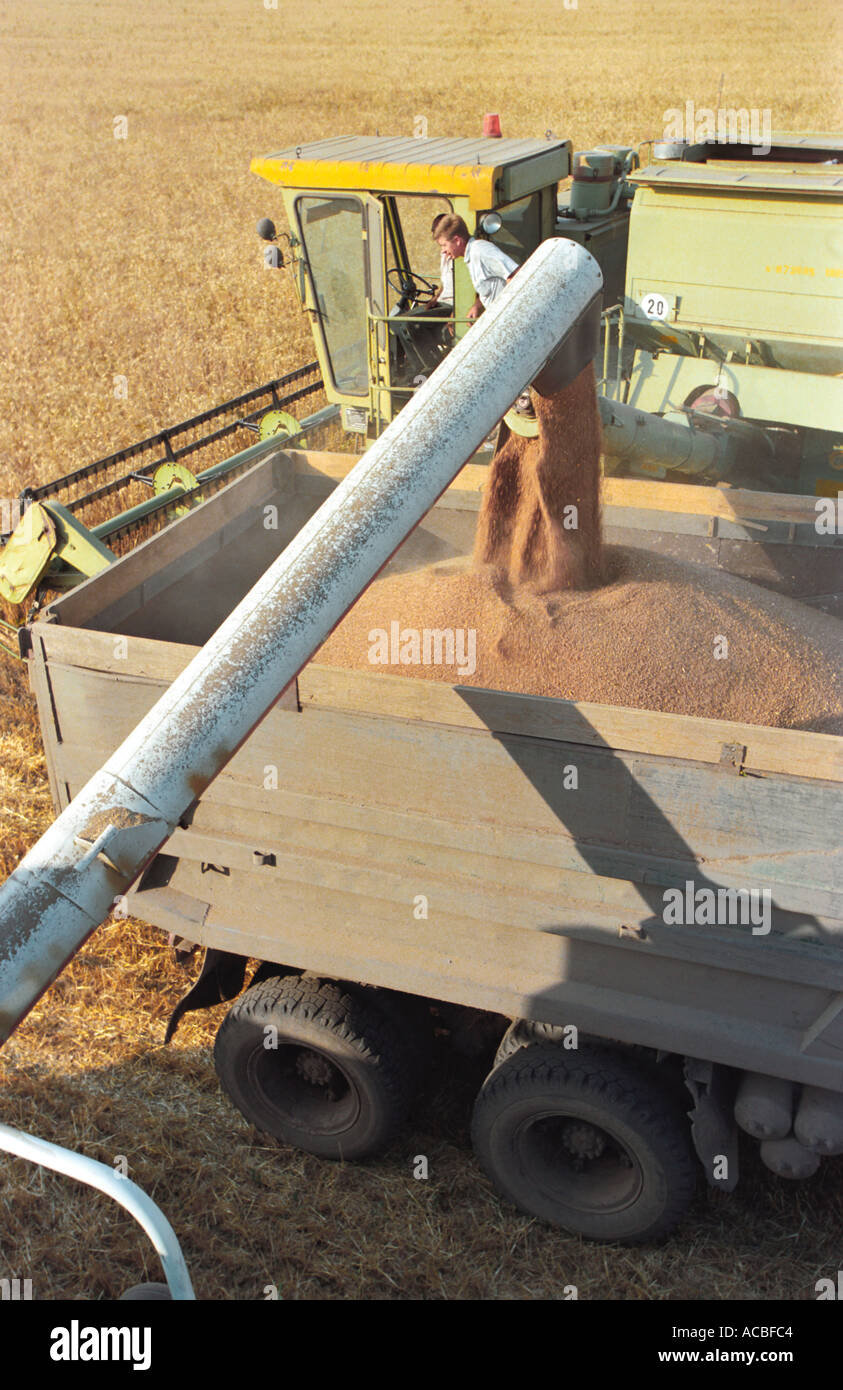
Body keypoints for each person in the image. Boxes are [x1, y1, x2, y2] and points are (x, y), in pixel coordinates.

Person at [434, 213, 518, 321]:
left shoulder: (481, 251)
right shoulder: (472, 256)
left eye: (444, 245)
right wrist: (477, 306)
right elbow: (492, 286)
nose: (443, 251)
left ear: (457, 240)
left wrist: (506, 314)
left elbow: (516, 276)